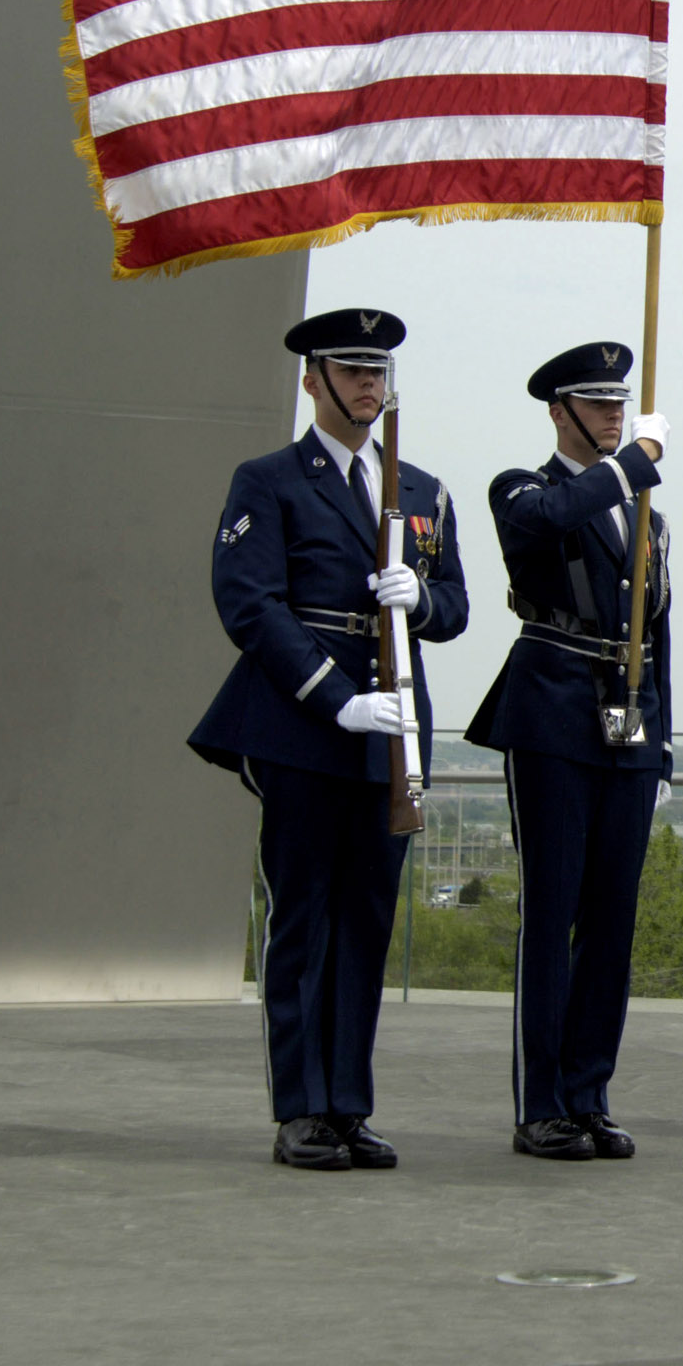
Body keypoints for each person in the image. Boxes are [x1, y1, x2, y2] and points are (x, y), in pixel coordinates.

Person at [191, 308, 468, 1172]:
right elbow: (250, 604)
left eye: (377, 372)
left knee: (366, 922)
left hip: (390, 734)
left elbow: (454, 608)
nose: (367, 386)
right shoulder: (270, 480)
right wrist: (337, 697)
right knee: (306, 917)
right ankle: (302, 1107)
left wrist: (417, 601)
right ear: (313, 380)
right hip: (309, 727)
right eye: (350, 371)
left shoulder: (419, 491)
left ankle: (349, 1104)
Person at [463, 343, 673, 1162]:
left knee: (613, 920)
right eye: (596, 402)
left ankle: (589, 1093)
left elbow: (657, 639)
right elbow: (546, 525)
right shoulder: (524, 487)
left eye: (620, 402)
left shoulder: (648, 514)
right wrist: (632, 467)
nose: (614, 414)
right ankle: (541, 1102)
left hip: (627, 724)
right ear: (560, 410)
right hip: (552, 709)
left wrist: (657, 747)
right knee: (553, 913)